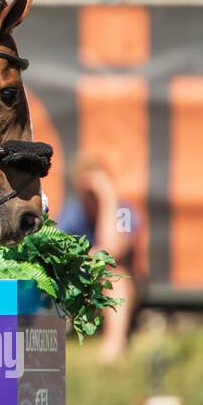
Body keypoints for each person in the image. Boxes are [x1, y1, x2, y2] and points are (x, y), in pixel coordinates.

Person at [56, 153, 141, 363]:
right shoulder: (74, 214)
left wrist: (107, 198)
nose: (91, 197)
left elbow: (113, 250)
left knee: (115, 275)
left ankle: (113, 347)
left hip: (117, 286)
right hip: (81, 285)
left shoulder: (123, 211)